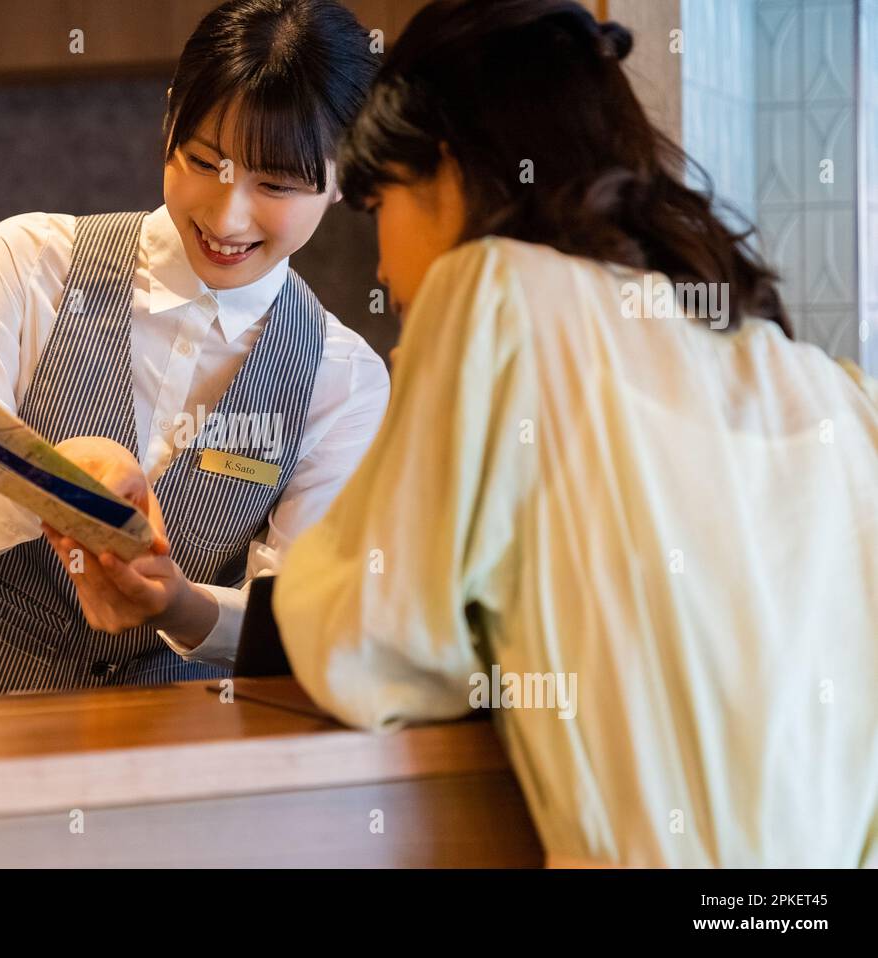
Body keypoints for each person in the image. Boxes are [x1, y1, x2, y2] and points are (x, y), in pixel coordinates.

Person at [272, 0, 878, 867]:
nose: (378, 265)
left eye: (377, 205)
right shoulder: (820, 384)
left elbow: (375, 647)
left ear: (444, 164)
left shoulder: (494, 292)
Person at [0, 0, 389, 698]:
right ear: (169, 120)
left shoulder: (344, 379)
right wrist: (49, 486)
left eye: (274, 184)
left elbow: (303, 621)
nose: (227, 216)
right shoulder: (32, 266)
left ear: (347, 174)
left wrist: (181, 606)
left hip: (166, 772)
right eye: (203, 161)